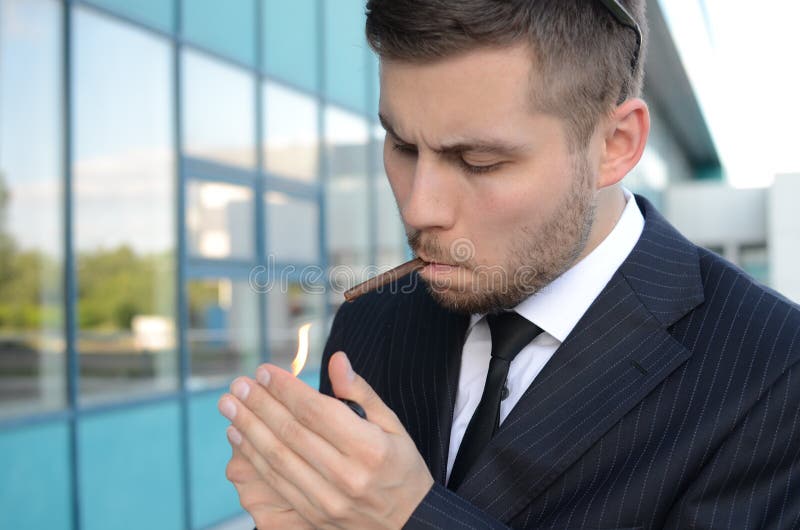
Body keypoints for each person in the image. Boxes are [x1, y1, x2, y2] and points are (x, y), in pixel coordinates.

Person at [218, 1, 800, 528]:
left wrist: (411, 519)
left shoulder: (773, 369)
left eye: (478, 161)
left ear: (616, 143)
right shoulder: (368, 327)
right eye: (401, 145)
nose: (421, 208)